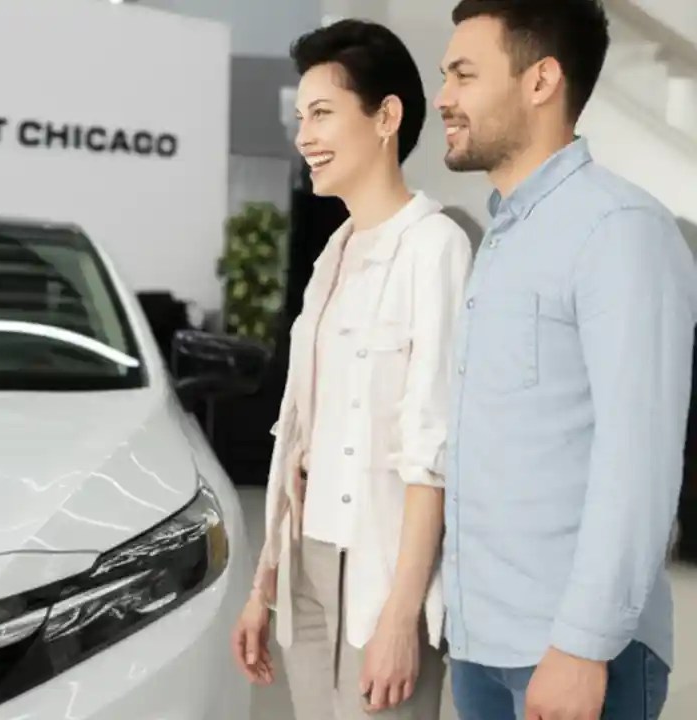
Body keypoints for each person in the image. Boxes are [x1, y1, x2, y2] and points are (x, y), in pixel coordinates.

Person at [435, 1, 697, 718]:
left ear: (541, 80)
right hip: (483, 640)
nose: (445, 96)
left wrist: (582, 646)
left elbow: (638, 463)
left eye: (464, 74)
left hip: (573, 650)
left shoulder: (619, 230)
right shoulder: (506, 235)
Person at [232, 19, 472, 719]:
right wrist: (263, 584)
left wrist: (402, 615)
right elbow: (297, 433)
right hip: (308, 559)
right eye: (301, 118)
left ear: (386, 117)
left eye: (322, 113)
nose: (304, 136)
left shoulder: (436, 247)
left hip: (381, 570)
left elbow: (432, 451)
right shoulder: (333, 254)